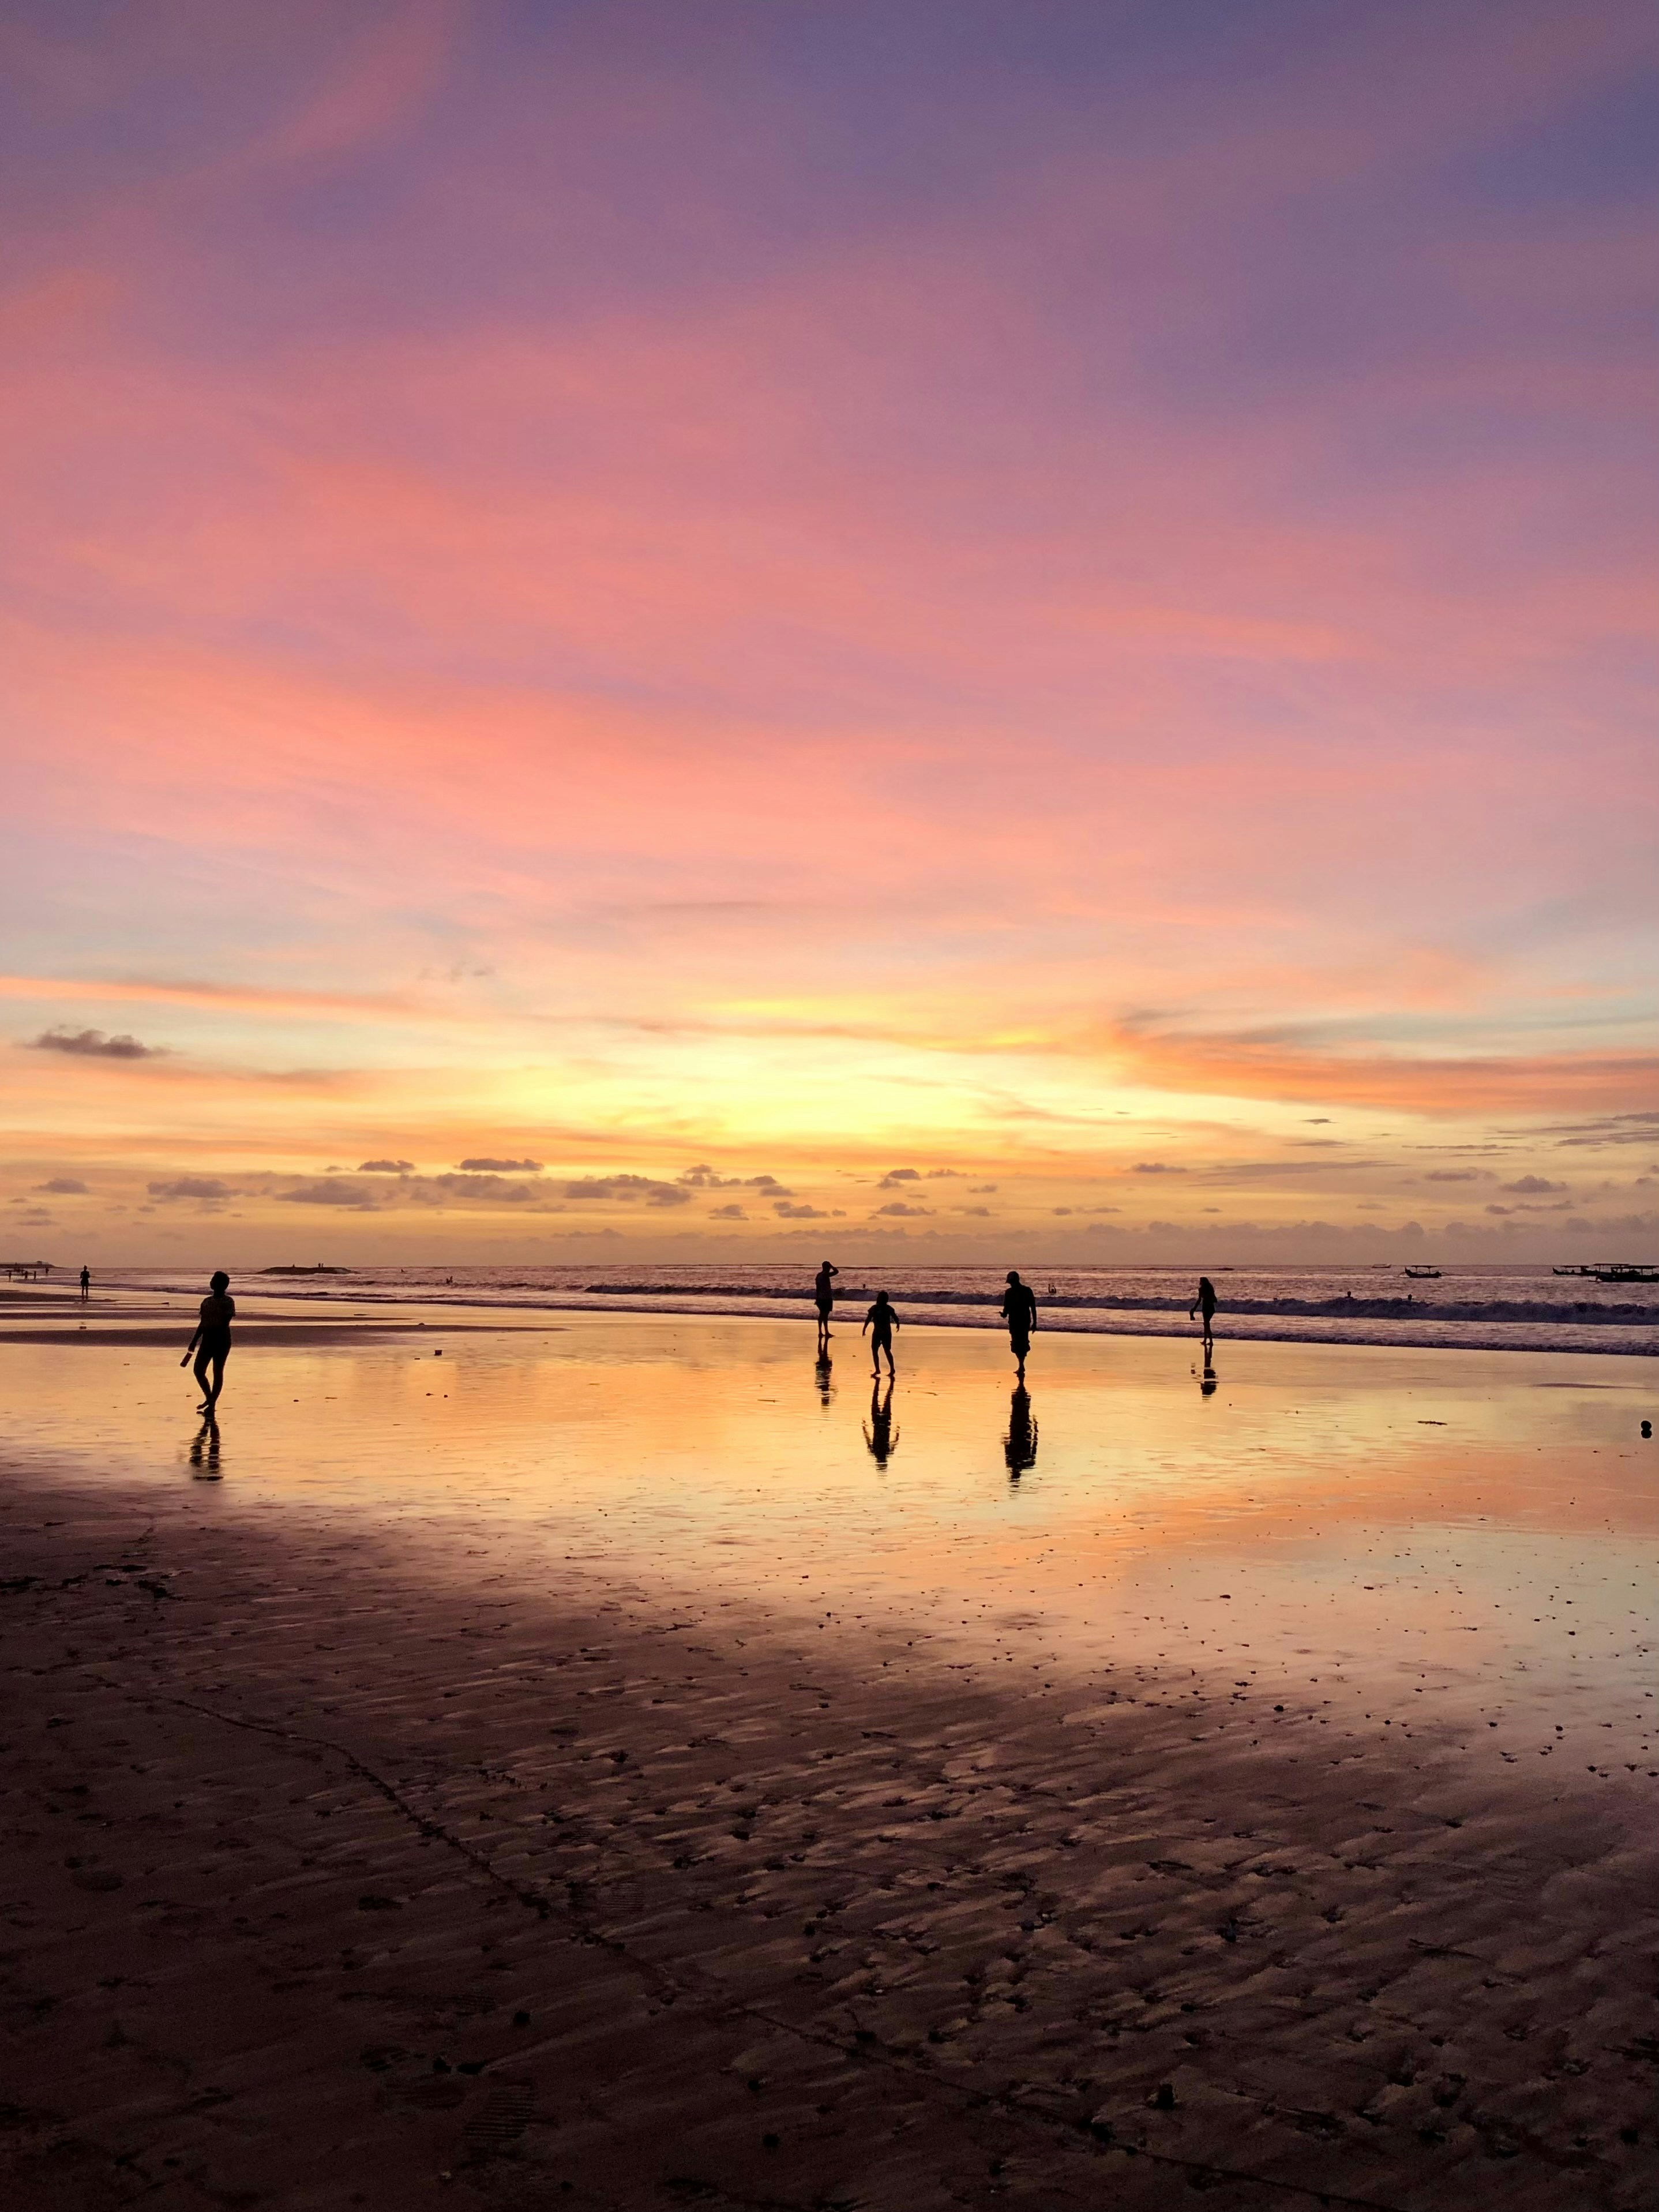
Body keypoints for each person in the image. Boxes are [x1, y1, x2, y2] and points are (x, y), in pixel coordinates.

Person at [181, 1270, 235, 1413]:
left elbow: (226, 1322)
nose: (212, 1282)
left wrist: (213, 1333)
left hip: (222, 1339)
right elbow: (203, 1323)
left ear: (222, 1285)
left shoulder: (228, 1302)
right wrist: (194, 1341)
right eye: (212, 1280)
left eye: (214, 1281)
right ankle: (210, 1398)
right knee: (198, 1370)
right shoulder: (206, 1302)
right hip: (207, 1340)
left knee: (217, 1371)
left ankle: (212, 1403)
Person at [1000, 1270, 1037, 1378]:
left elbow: (1033, 1307)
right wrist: (1035, 1323)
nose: (1011, 1284)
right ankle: (1021, 1365)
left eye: (1012, 1282)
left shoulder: (1020, 1291)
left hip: (1020, 1321)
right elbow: (1007, 1310)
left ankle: (1021, 1365)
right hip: (1020, 1321)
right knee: (1019, 1343)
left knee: (1020, 1343)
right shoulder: (1020, 1291)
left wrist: (1035, 1323)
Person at [863, 1375, 899, 1468]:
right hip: (879, 1423)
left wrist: (897, 1432)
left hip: (883, 1423)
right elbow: (895, 1442)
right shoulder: (883, 1452)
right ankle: (885, 1383)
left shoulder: (877, 1452)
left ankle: (886, 1383)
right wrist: (864, 1428)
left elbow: (895, 1442)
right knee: (878, 1399)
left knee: (886, 1399)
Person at [862, 1289, 900, 1375]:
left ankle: (892, 1369)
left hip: (885, 1333)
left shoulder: (887, 1309)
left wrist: (898, 1324)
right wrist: (864, 1328)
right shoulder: (874, 1309)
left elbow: (895, 1317)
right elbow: (868, 1319)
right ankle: (878, 1370)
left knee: (886, 1351)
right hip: (877, 1333)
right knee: (875, 1350)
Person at [1004, 1384, 1038, 1478]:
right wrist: (1035, 1431)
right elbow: (1034, 1446)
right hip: (1022, 1431)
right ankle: (1021, 1385)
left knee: (1020, 1411)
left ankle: (1021, 1385)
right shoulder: (1028, 1463)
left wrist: (1035, 1432)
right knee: (1022, 1411)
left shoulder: (1026, 1463)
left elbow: (1034, 1446)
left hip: (1019, 1431)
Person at [813, 1259, 839, 1348]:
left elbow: (818, 1288)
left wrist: (817, 1298)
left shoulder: (819, 1275)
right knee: (825, 1315)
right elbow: (836, 1272)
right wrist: (832, 1265)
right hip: (826, 1298)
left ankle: (821, 1332)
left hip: (820, 1298)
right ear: (827, 1268)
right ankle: (826, 1332)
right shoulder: (825, 1275)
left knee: (822, 1315)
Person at [1189, 1275, 1218, 1346]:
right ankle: (1206, 1340)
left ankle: (1210, 1341)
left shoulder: (1202, 1290)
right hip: (1210, 1308)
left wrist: (1194, 1309)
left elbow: (1199, 1300)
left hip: (1206, 1307)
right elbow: (1215, 1300)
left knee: (1206, 1324)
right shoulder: (1210, 1288)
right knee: (1206, 1324)